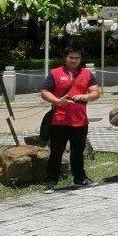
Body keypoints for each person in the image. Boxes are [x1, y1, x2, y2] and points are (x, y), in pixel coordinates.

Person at [40, 45, 101, 193]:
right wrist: (56, 101)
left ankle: (80, 178)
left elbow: (96, 92)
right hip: (59, 120)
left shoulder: (87, 74)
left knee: (78, 152)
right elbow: (44, 91)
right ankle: (51, 181)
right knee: (56, 152)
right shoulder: (55, 73)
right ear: (65, 58)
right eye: (71, 57)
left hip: (80, 120)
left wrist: (86, 96)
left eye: (77, 58)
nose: (74, 60)